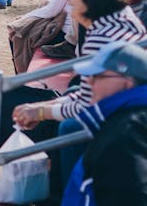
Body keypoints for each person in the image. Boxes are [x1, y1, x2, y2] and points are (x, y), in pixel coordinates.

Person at [12, 0, 146, 185]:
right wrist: (46, 106)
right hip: (130, 106)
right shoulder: (122, 17)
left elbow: (86, 105)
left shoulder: (101, 36)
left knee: (70, 127)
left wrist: (40, 111)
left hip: (124, 117)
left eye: (74, 0)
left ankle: (70, 188)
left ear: (91, 3)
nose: (70, 6)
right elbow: (86, 93)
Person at [63, 41, 147, 205]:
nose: (89, 82)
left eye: (97, 76)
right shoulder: (126, 122)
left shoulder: (126, 135)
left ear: (127, 82)